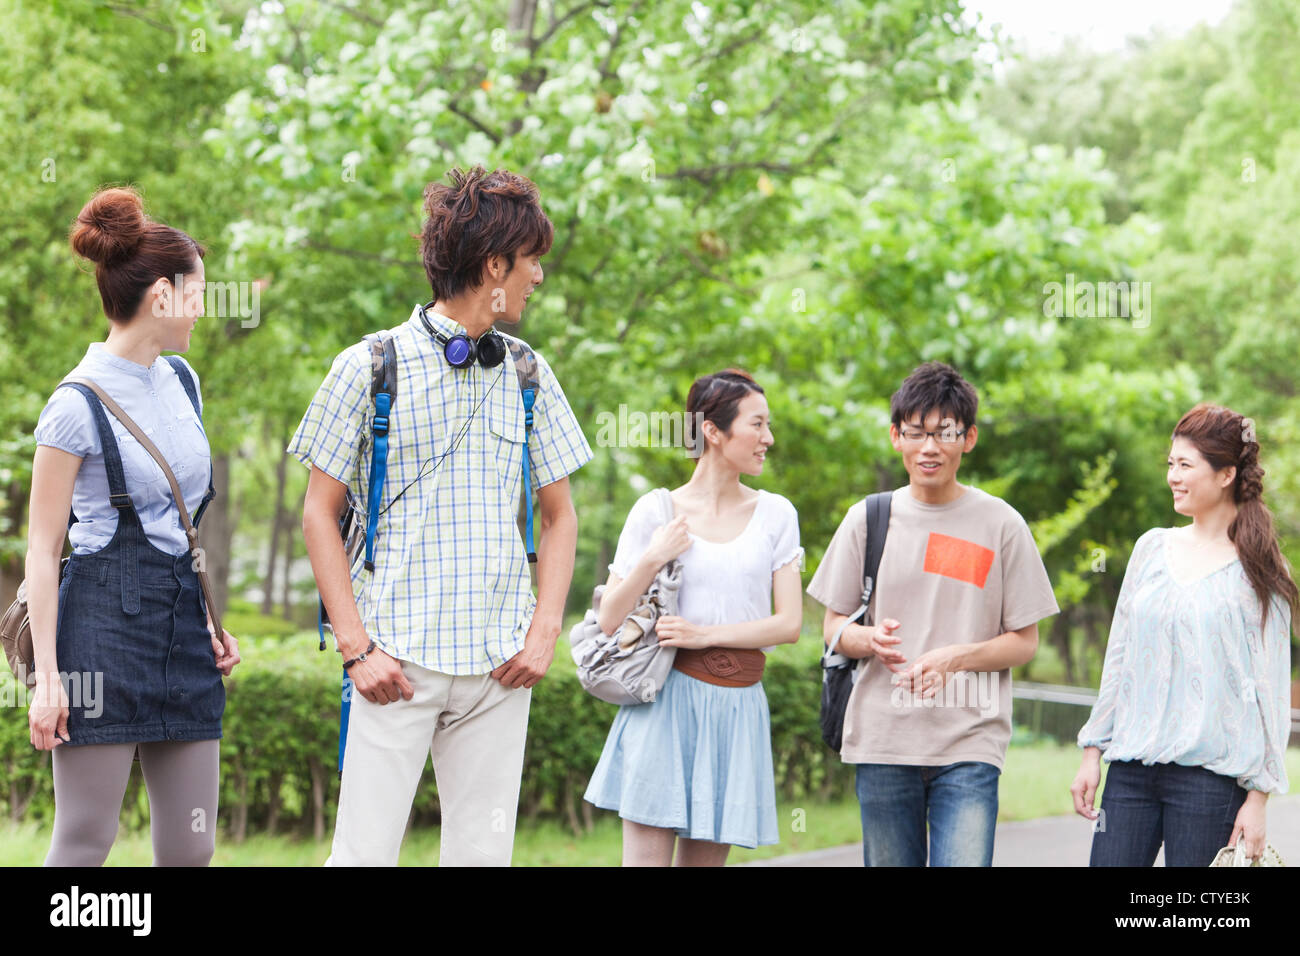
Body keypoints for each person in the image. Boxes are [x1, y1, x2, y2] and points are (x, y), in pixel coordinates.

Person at [294, 166, 592, 867]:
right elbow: (318, 513)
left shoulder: (528, 372)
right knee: (362, 858)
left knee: (482, 859)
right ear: (494, 265)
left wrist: (545, 630)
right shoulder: (368, 367)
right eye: (531, 261)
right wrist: (356, 648)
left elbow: (560, 517)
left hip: (499, 665)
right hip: (394, 660)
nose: (538, 277)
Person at [27, 186, 240, 867]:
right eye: (197, 292)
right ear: (161, 297)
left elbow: (181, 521)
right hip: (100, 635)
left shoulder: (183, 380)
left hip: (182, 631)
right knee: (87, 840)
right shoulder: (74, 404)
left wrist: (206, 620)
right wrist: (50, 679)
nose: (204, 307)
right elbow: (41, 547)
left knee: (192, 847)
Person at [806, 361, 1058, 867]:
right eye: (916, 433)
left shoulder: (1001, 524)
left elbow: (1024, 641)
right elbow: (833, 628)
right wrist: (867, 639)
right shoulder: (869, 518)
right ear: (896, 436)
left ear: (969, 439)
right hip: (883, 739)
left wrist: (954, 659)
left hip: (970, 741)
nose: (930, 447)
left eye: (945, 433)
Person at [584, 369, 804, 866]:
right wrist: (652, 557)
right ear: (713, 431)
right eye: (757, 424)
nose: (768, 438)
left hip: (737, 707)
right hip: (665, 705)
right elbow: (610, 619)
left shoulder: (777, 515)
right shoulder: (656, 510)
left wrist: (704, 635)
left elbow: (789, 624)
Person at [1072, 403, 1295, 866]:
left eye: (1186, 465)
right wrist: (1093, 751)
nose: (1173, 476)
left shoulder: (1260, 571)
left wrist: (1259, 799)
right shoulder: (1151, 548)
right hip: (1130, 772)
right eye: (1170, 464)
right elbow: (1120, 658)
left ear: (1226, 473)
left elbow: (1271, 692)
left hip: (1209, 784)